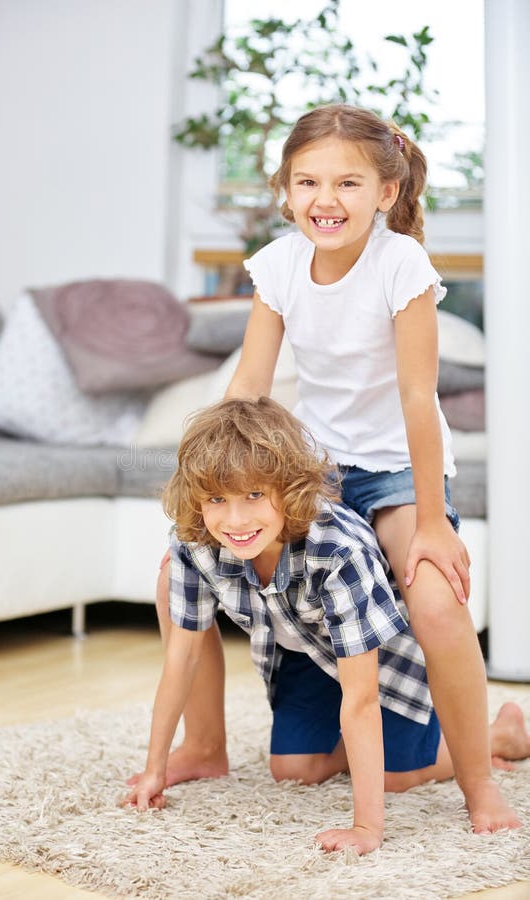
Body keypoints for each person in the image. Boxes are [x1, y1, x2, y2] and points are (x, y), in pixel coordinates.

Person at [145, 104, 521, 835]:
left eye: (348, 183)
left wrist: (435, 525)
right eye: (307, 181)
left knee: (436, 599)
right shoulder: (280, 264)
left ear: (385, 192)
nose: (326, 199)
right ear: (286, 190)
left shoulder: (400, 263)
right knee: (172, 577)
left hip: (398, 469)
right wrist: (209, 483)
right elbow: (250, 385)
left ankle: (484, 779)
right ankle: (206, 745)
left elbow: (418, 396)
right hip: (313, 468)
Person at [123, 399, 529, 854]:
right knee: (294, 768)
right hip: (307, 653)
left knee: (396, 775)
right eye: (217, 499)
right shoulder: (194, 541)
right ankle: (365, 749)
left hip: (381, 661)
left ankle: (498, 734)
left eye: (254, 495)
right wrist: (154, 767)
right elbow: (181, 660)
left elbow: (361, 699)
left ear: (287, 489)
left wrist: (366, 828)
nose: (235, 521)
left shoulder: (338, 550)